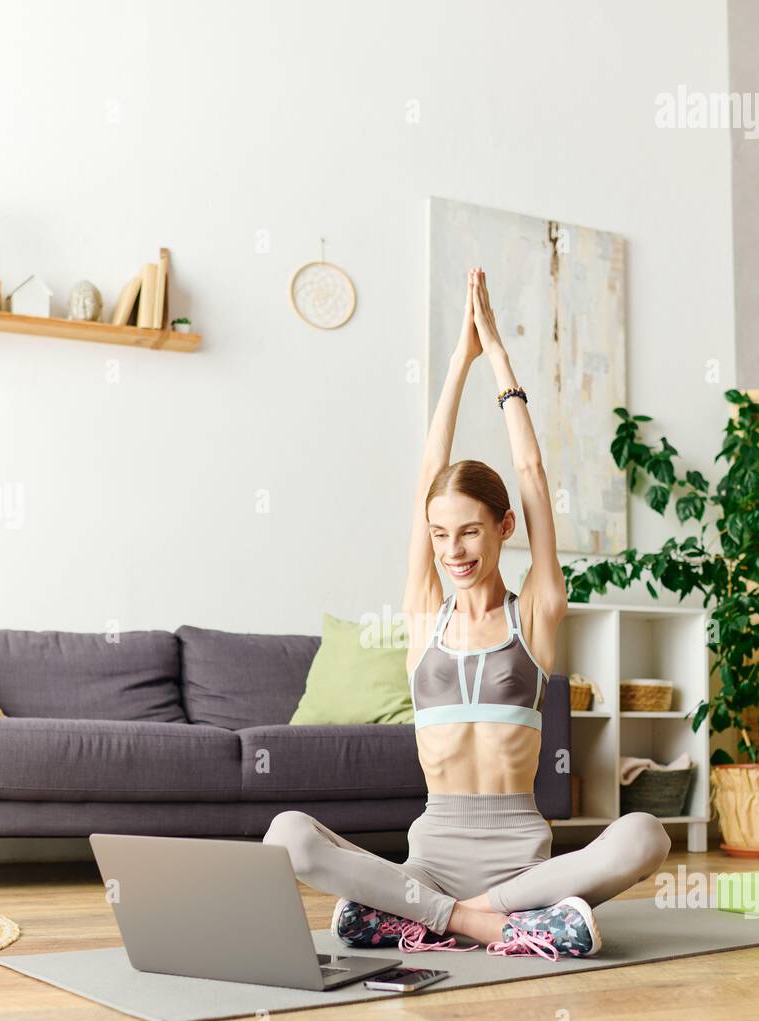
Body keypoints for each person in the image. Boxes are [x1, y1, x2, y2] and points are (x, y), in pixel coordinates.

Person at [264, 268, 671, 959]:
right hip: (433, 859)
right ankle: (491, 926)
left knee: (648, 837)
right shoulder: (424, 614)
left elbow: (535, 474)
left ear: (505, 526)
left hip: (523, 865)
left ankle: (435, 919)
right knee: (288, 836)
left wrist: (501, 363)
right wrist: (458, 361)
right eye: (440, 534)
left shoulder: (536, 615)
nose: (453, 549)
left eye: (471, 531)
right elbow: (428, 475)